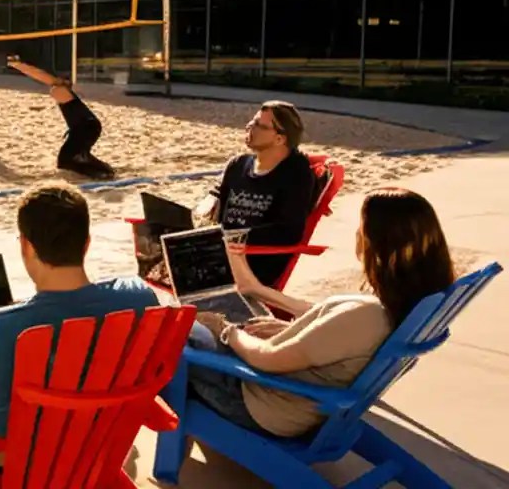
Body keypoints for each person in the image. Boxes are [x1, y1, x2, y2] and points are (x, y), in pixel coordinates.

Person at [0, 182, 158, 467]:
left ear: (25, 246)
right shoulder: (139, 300)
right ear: (86, 243)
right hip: (97, 446)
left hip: (13, 464)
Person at [188, 188, 455, 439]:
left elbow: (268, 360)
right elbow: (341, 344)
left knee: (180, 334)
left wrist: (225, 329)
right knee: (227, 316)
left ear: (377, 243)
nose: (357, 234)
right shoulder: (402, 303)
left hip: (264, 405)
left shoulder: (366, 317)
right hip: (306, 402)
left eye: (362, 228)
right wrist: (287, 329)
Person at [209, 101, 317, 287]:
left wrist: (232, 239)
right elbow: (217, 212)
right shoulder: (237, 165)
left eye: (260, 125)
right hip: (221, 255)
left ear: (280, 139)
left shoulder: (296, 174)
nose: (249, 127)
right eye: (252, 122)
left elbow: (288, 232)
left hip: (256, 264)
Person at [7, 56, 115, 179]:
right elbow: (40, 75)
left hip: (87, 127)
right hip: (83, 127)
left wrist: (19, 65)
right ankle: (100, 168)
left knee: (66, 160)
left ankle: (103, 172)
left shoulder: (61, 89)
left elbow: (41, 75)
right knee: (68, 159)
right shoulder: (61, 90)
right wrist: (19, 66)